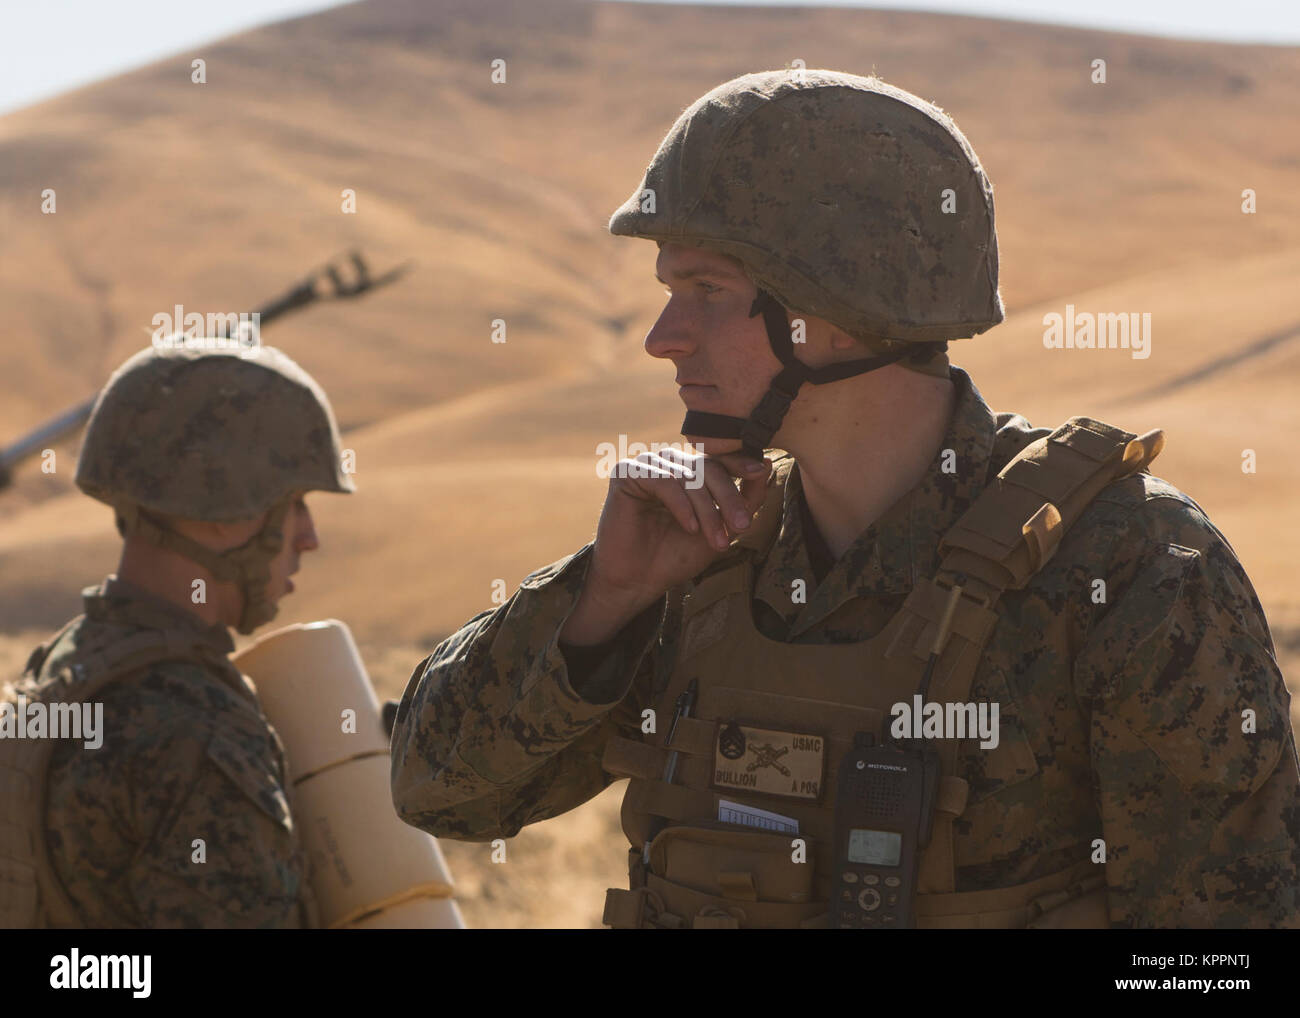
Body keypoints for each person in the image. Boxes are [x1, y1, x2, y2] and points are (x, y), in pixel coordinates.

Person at [389, 69, 1299, 928]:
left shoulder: (1129, 562)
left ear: (840, 304)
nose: (663, 338)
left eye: (705, 291)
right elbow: (442, 794)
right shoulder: (703, 552)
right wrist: (605, 604)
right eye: (668, 293)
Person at [0, 343, 354, 928]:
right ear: (225, 511)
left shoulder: (66, 662)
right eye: (295, 504)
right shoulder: (193, 732)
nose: (309, 537)